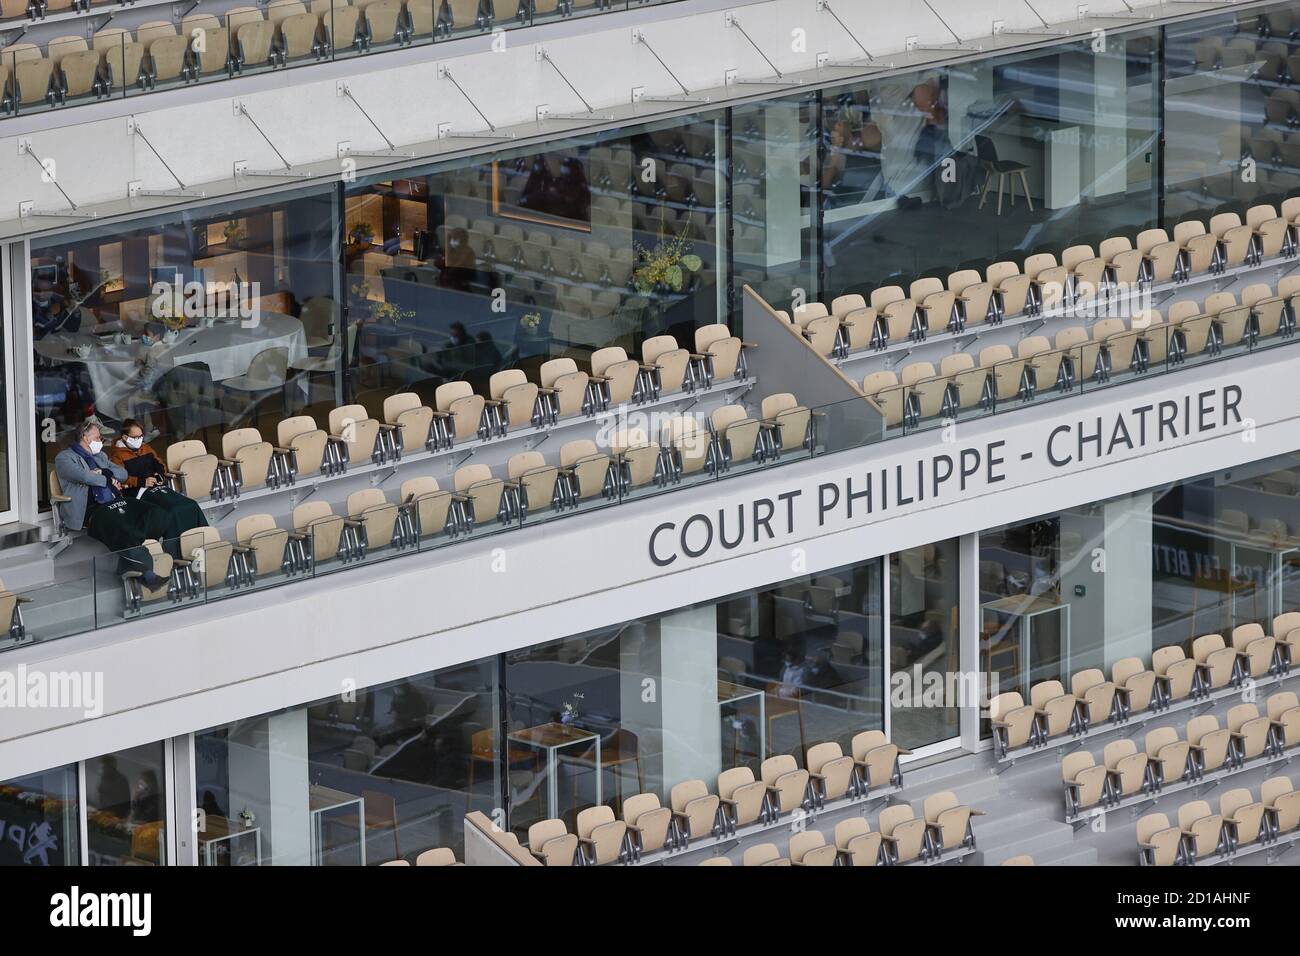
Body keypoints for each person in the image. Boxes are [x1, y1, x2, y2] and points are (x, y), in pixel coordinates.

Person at [54, 420, 169, 588]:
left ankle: (125, 565)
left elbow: (122, 474)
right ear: (85, 438)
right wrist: (108, 478)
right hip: (91, 509)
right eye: (98, 437)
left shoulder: (100, 456)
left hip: (114, 501)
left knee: (153, 512)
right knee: (124, 527)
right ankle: (148, 574)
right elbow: (85, 477)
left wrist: (105, 472)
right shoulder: (64, 458)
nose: (101, 441)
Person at [108, 419, 208, 550]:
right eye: (135, 437)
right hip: (138, 492)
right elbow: (120, 478)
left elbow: (160, 463)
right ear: (125, 437)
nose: (139, 439)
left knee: (191, 504)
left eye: (141, 436)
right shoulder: (117, 456)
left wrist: (160, 474)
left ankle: (202, 544)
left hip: (157, 486)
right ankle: (176, 551)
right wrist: (142, 482)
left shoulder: (146, 448)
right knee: (172, 511)